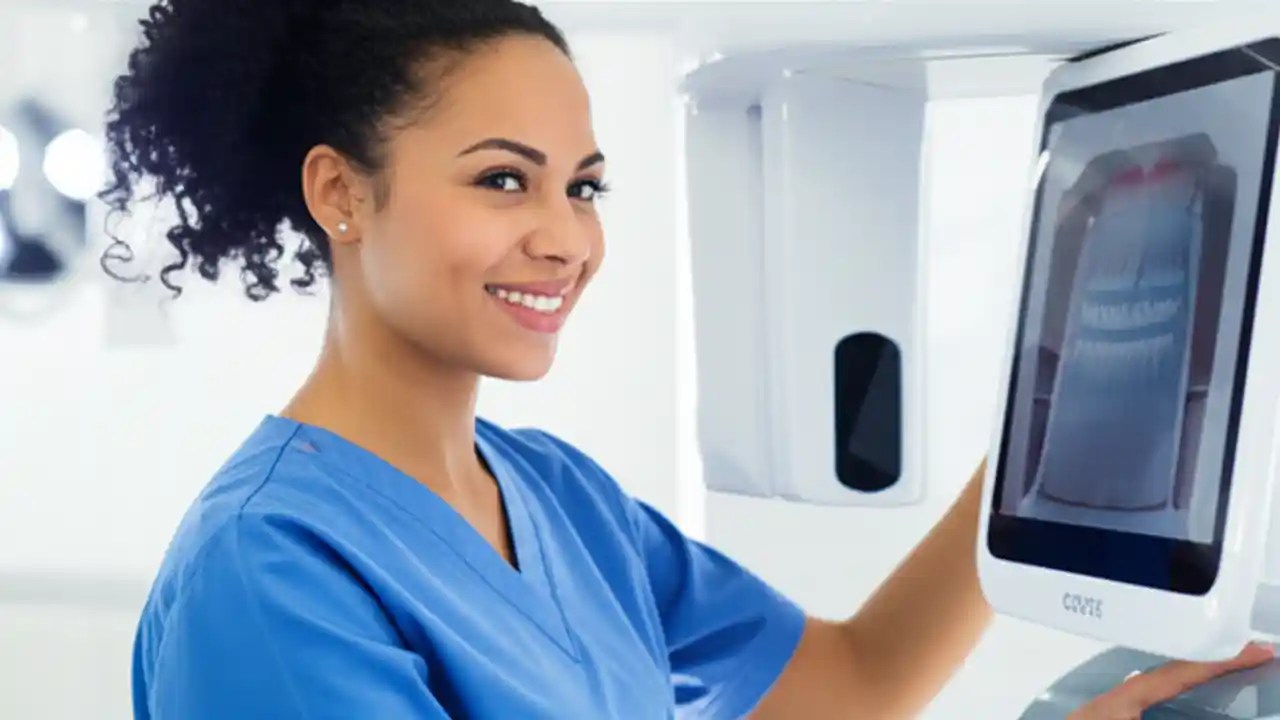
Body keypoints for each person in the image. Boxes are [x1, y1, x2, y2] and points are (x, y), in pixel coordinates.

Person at [102, 1, 1274, 718]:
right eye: (501, 179)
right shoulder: (265, 574)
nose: (563, 237)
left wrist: (1047, 411)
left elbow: (853, 686)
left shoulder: (556, 497)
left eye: (583, 187)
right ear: (339, 193)